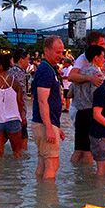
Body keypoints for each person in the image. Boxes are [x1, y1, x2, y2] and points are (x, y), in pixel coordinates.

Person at [31, 35, 66, 179]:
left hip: (45, 123)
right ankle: (48, 199)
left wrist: (56, 127)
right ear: (46, 51)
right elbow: (42, 101)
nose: (61, 56)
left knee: (43, 163)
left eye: (62, 52)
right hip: (45, 124)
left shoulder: (48, 69)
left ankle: (41, 197)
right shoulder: (46, 70)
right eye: (57, 52)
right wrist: (49, 127)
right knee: (52, 164)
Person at [69, 44, 105, 165]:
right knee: (89, 150)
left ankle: (74, 174)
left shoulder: (79, 74)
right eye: (102, 57)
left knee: (78, 149)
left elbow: (69, 94)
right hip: (91, 114)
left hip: (80, 114)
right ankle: (86, 180)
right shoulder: (97, 74)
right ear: (95, 58)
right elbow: (95, 97)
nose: (104, 60)